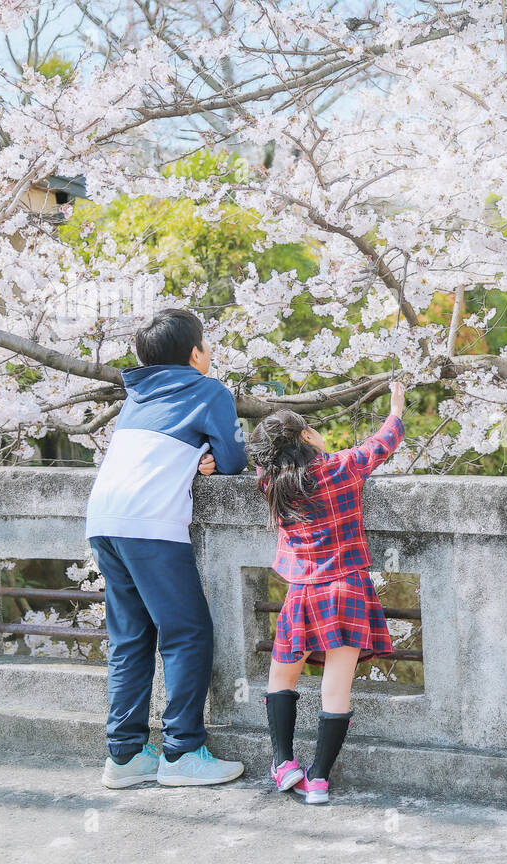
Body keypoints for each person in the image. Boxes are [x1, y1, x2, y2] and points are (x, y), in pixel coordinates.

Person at [85, 307, 248, 788]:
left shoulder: (135, 395)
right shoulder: (210, 390)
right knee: (187, 633)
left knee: (131, 637)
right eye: (207, 345)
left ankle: (126, 756)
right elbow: (236, 457)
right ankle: (181, 753)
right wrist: (214, 456)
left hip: (104, 519)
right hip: (150, 523)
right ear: (196, 354)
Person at [247, 382, 405, 804]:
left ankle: (283, 763)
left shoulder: (272, 484)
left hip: (302, 593)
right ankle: (318, 779)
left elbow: (265, 460)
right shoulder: (342, 467)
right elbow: (383, 442)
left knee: (282, 677)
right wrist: (396, 407)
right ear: (306, 438)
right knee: (336, 689)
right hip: (348, 589)